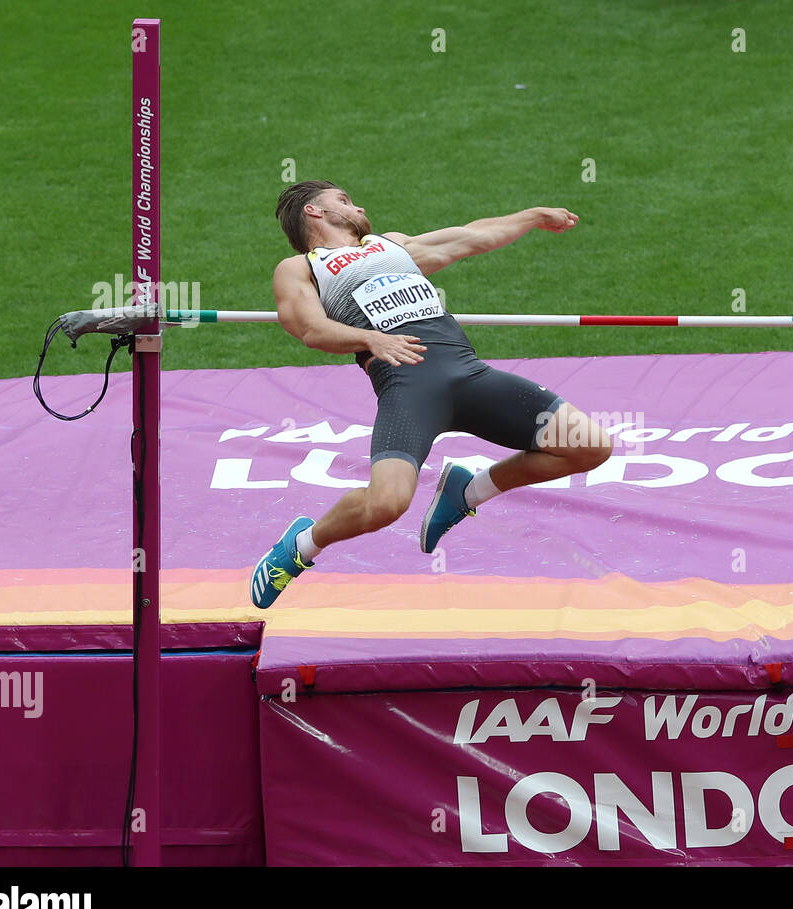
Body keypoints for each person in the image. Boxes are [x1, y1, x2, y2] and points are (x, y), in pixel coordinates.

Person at [250, 181, 612, 609]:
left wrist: (532, 216)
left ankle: (468, 492)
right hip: (408, 389)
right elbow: (309, 328)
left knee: (589, 446)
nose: (359, 204)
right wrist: (372, 339)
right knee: (386, 504)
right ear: (313, 211)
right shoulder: (301, 268)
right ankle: (301, 546)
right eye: (344, 200)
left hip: (468, 373)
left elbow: (471, 236)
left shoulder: (391, 247)